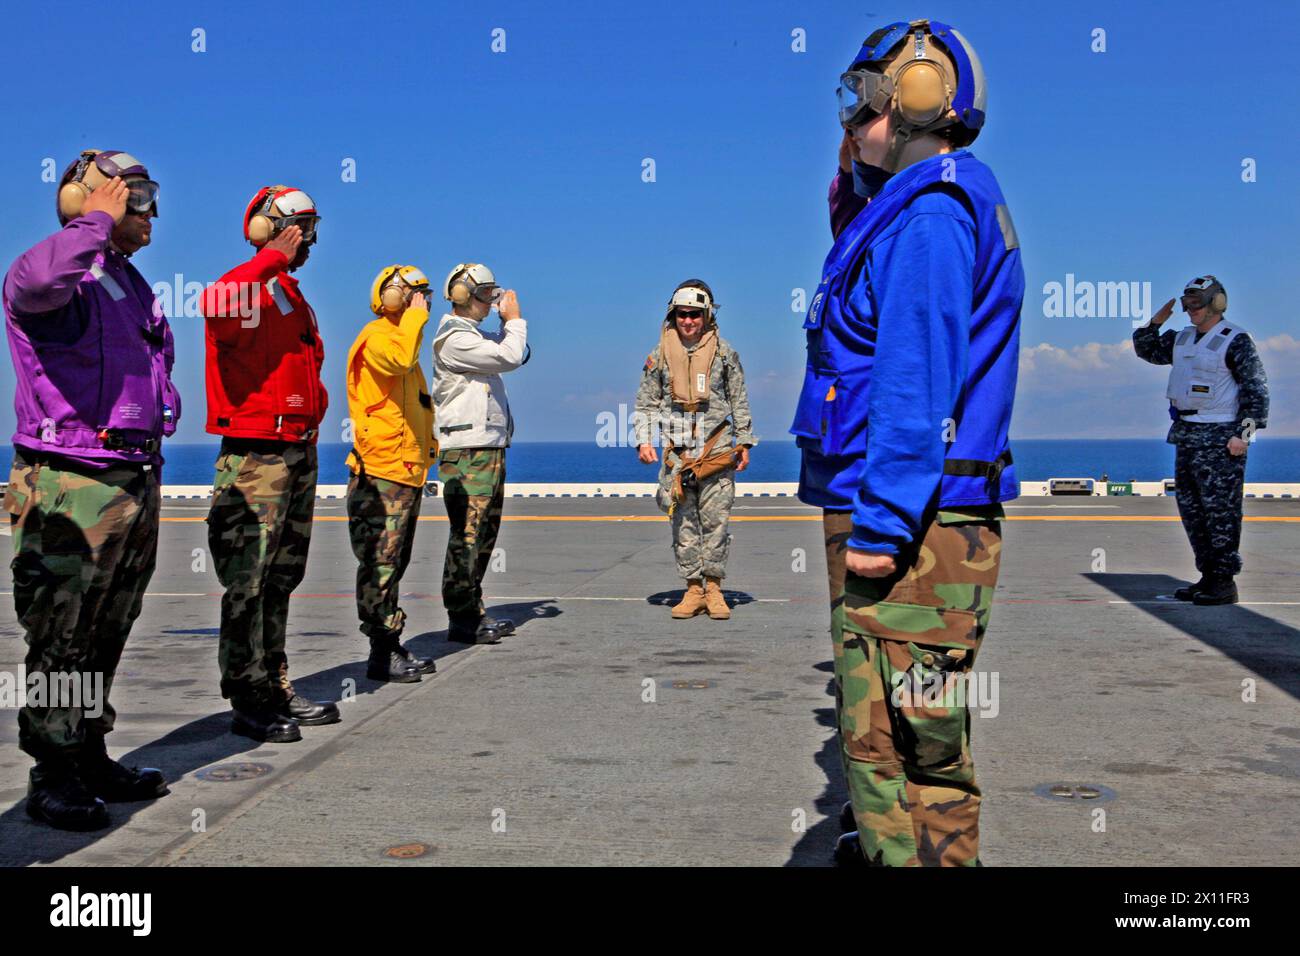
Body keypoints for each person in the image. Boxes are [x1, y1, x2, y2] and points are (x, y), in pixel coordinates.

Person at [791, 20, 1024, 866]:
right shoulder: (911, 207)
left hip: (914, 530)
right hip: (903, 516)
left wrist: (884, 528)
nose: (850, 120)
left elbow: (914, 383)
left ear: (920, 97)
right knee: (880, 738)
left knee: (913, 751)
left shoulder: (930, 215)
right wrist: (855, 184)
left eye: (865, 100)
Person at [3, 149, 177, 830]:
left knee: (109, 627)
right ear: (93, 198)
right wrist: (91, 221)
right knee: (60, 636)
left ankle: (89, 751)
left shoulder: (127, 282)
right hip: (71, 478)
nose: (148, 211)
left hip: (131, 472)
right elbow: (40, 284)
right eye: (135, 196)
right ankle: (53, 773)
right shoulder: (50, 265)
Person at [200, 185, 337, 742]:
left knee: (279, 578)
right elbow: (215, 302)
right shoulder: (251, 284)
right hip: (256, 455)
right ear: (268, 227)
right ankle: (247, 696)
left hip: (295, 448)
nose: (307, 239)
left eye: (310, 228)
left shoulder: (286, 293)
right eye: (297, 227)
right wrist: (270, 255)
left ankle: (273, 681)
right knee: (248, 582)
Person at [1133, 276, 1269, 605]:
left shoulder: (1234, 340)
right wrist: (1154, 323)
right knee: (1192, 510)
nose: (1190, 311)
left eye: (1197, 304)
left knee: (1221, 511)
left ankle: (1223, 582)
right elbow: (1147, 349)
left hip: (1222, 436)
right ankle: (1208, 576)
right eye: (1187, 305)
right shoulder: (1182, 339)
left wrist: (1244, 437)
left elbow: (1257, 392)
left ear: (1216, 304)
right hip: (1188, 432)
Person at [635, 280, 755, 619]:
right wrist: (644, 439)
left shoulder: (725, 354)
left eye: (695, 315)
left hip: (716, 450)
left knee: (716, 522)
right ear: (673, 315)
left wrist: (744, 441)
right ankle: (692, 589)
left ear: (707, 316)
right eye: (682, 314)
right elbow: (647, 401)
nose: (688, 321)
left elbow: (739, 399)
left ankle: (714, 589)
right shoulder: (658, 356)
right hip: (678, 455)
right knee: (683, 525)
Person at [346, 265, 439, 681]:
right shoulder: (379, 337)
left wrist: (429, 446)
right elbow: (399, 362)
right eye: (413, 293)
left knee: (393, 563)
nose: (422, 301)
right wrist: (416, 318)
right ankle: (381, 651)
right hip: (381, 472)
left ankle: (391, 643)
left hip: (404, 470)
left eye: (425, 294)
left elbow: (415, 403)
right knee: (381, 564)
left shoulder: (408, 341)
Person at [432, 263, 527, 644]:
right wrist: (515, 320)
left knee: (483, 534)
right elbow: (510, 357)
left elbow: (517, 352)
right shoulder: (454, 338)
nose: (491, 301)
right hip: (468, 451)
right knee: (468, 536)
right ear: (462, 295)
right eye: (484, 293)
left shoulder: (471, 335)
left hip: (485, 447)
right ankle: (463, 615)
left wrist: (509, 330)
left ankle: (471, 610)